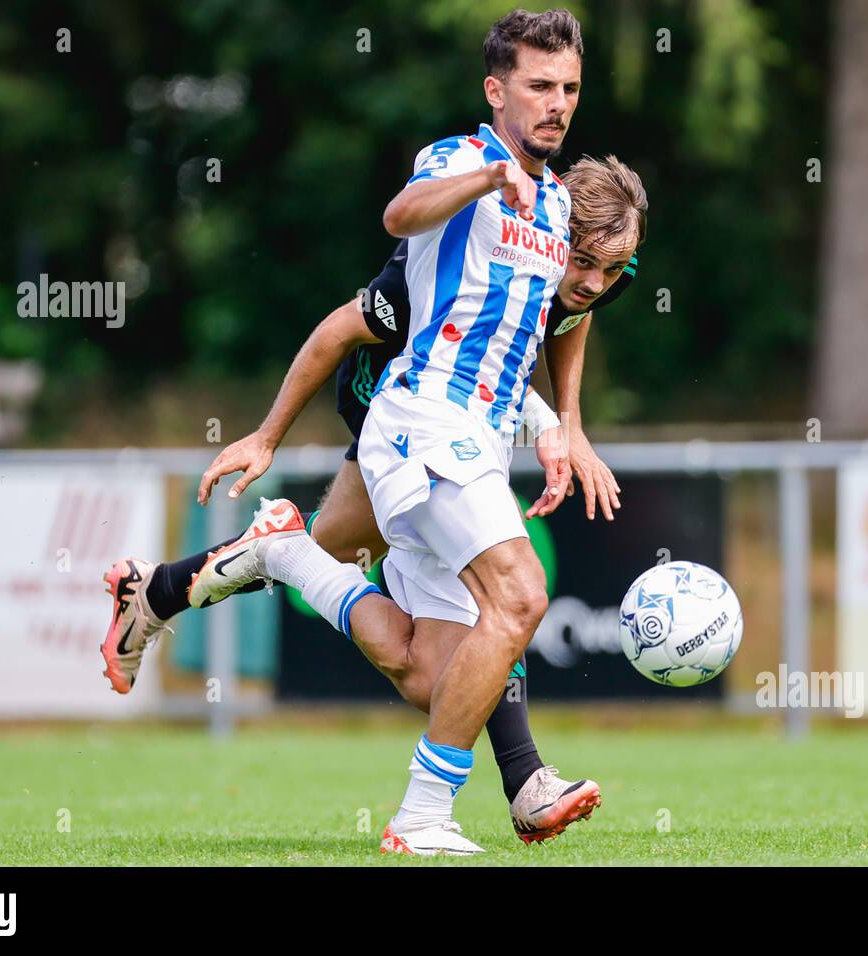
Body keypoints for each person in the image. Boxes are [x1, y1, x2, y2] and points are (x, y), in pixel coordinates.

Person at [190, 9, 642, 855]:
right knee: (520, 596)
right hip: (426, 419)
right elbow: (401, 216)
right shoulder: (464, 160)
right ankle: (424, 817)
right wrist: (484, 180)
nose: (557, 104)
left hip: (468, 438)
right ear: (496, 89)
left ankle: (290, 554)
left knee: (435, 671)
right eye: (540, 86)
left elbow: (567, 318)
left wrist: (567, 424)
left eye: (570, 88)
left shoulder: (552, 204)